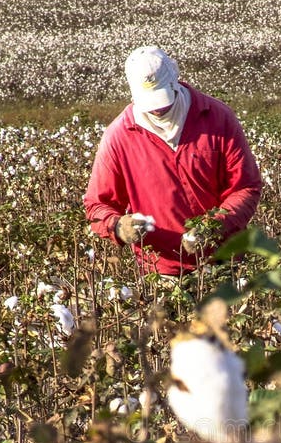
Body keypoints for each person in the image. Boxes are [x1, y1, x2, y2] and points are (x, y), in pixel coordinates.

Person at [84, 46, 262, 277]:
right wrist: (118, 227)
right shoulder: (119, 137)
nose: (158, 109)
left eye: (162, 98)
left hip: (226, 263)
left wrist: (214, 226)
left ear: (175, 79)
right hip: (162, 273)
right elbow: (97, 205)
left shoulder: (218, 119)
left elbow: (245, 187)